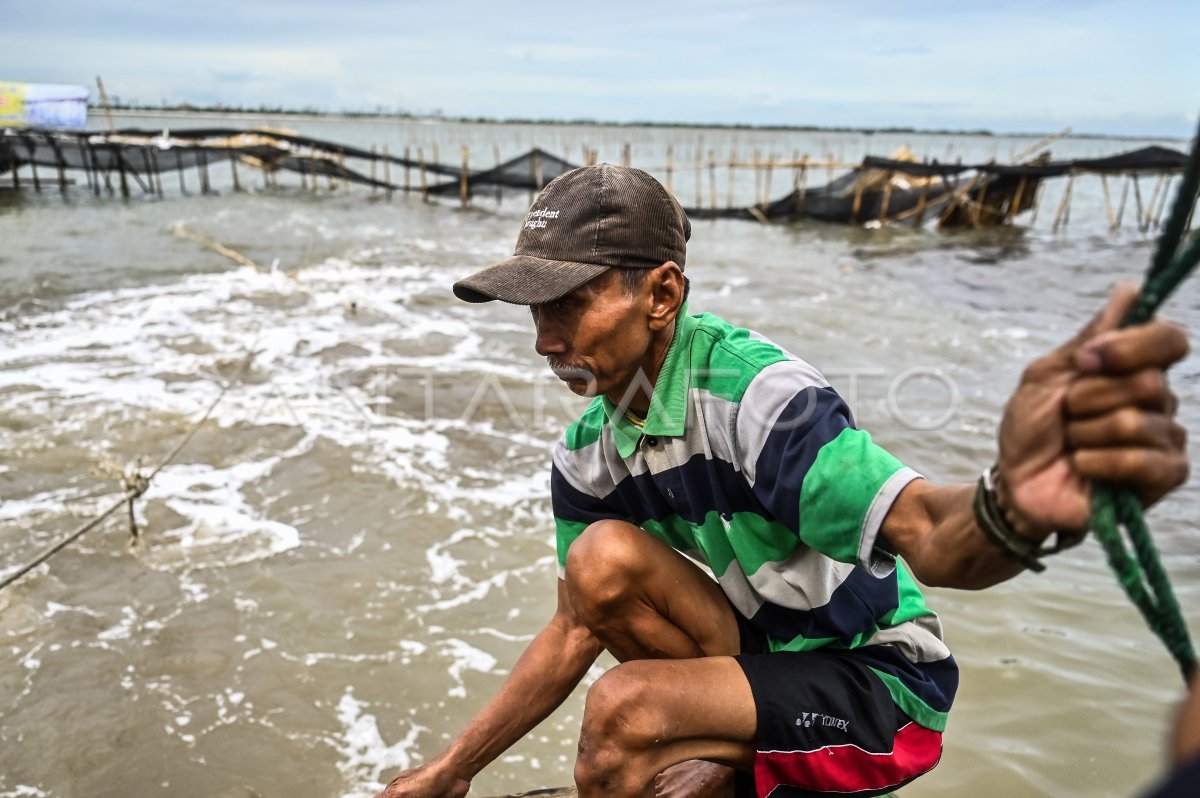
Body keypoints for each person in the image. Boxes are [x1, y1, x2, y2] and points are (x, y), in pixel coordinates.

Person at [375, 165, 1189, 798]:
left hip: (880, 685)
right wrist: (453, 770)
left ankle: (735, 759)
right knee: (599, 563)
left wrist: (1010, 504)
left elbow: (930, 532)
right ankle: (734, 753)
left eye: (568, 304)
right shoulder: (589, 450)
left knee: (624, 713)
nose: (545, 342)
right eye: (533, 311)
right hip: (761, 656)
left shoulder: (759, 402)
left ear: (662, 293)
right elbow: (572, 627)